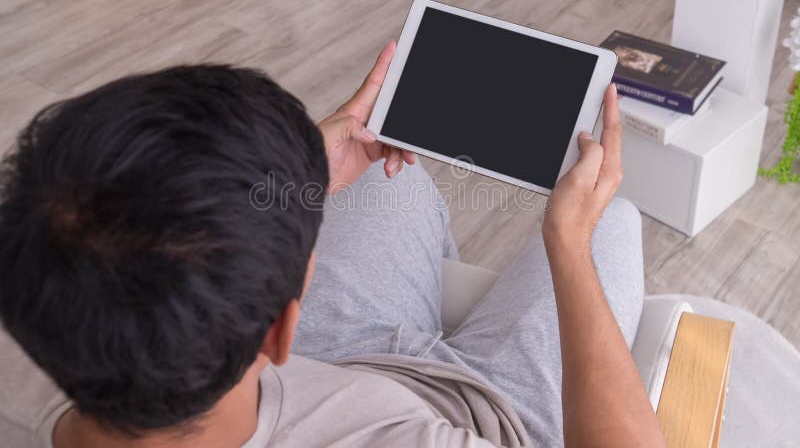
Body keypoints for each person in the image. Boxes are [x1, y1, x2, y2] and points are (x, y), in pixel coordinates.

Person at [0, 41, 665, 447]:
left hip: (329, 370)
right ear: (280, 329)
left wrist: (297, 177)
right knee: (614, 219)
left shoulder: (27, 362)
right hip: (493, 417)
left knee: (388, 176)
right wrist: (567, 243)